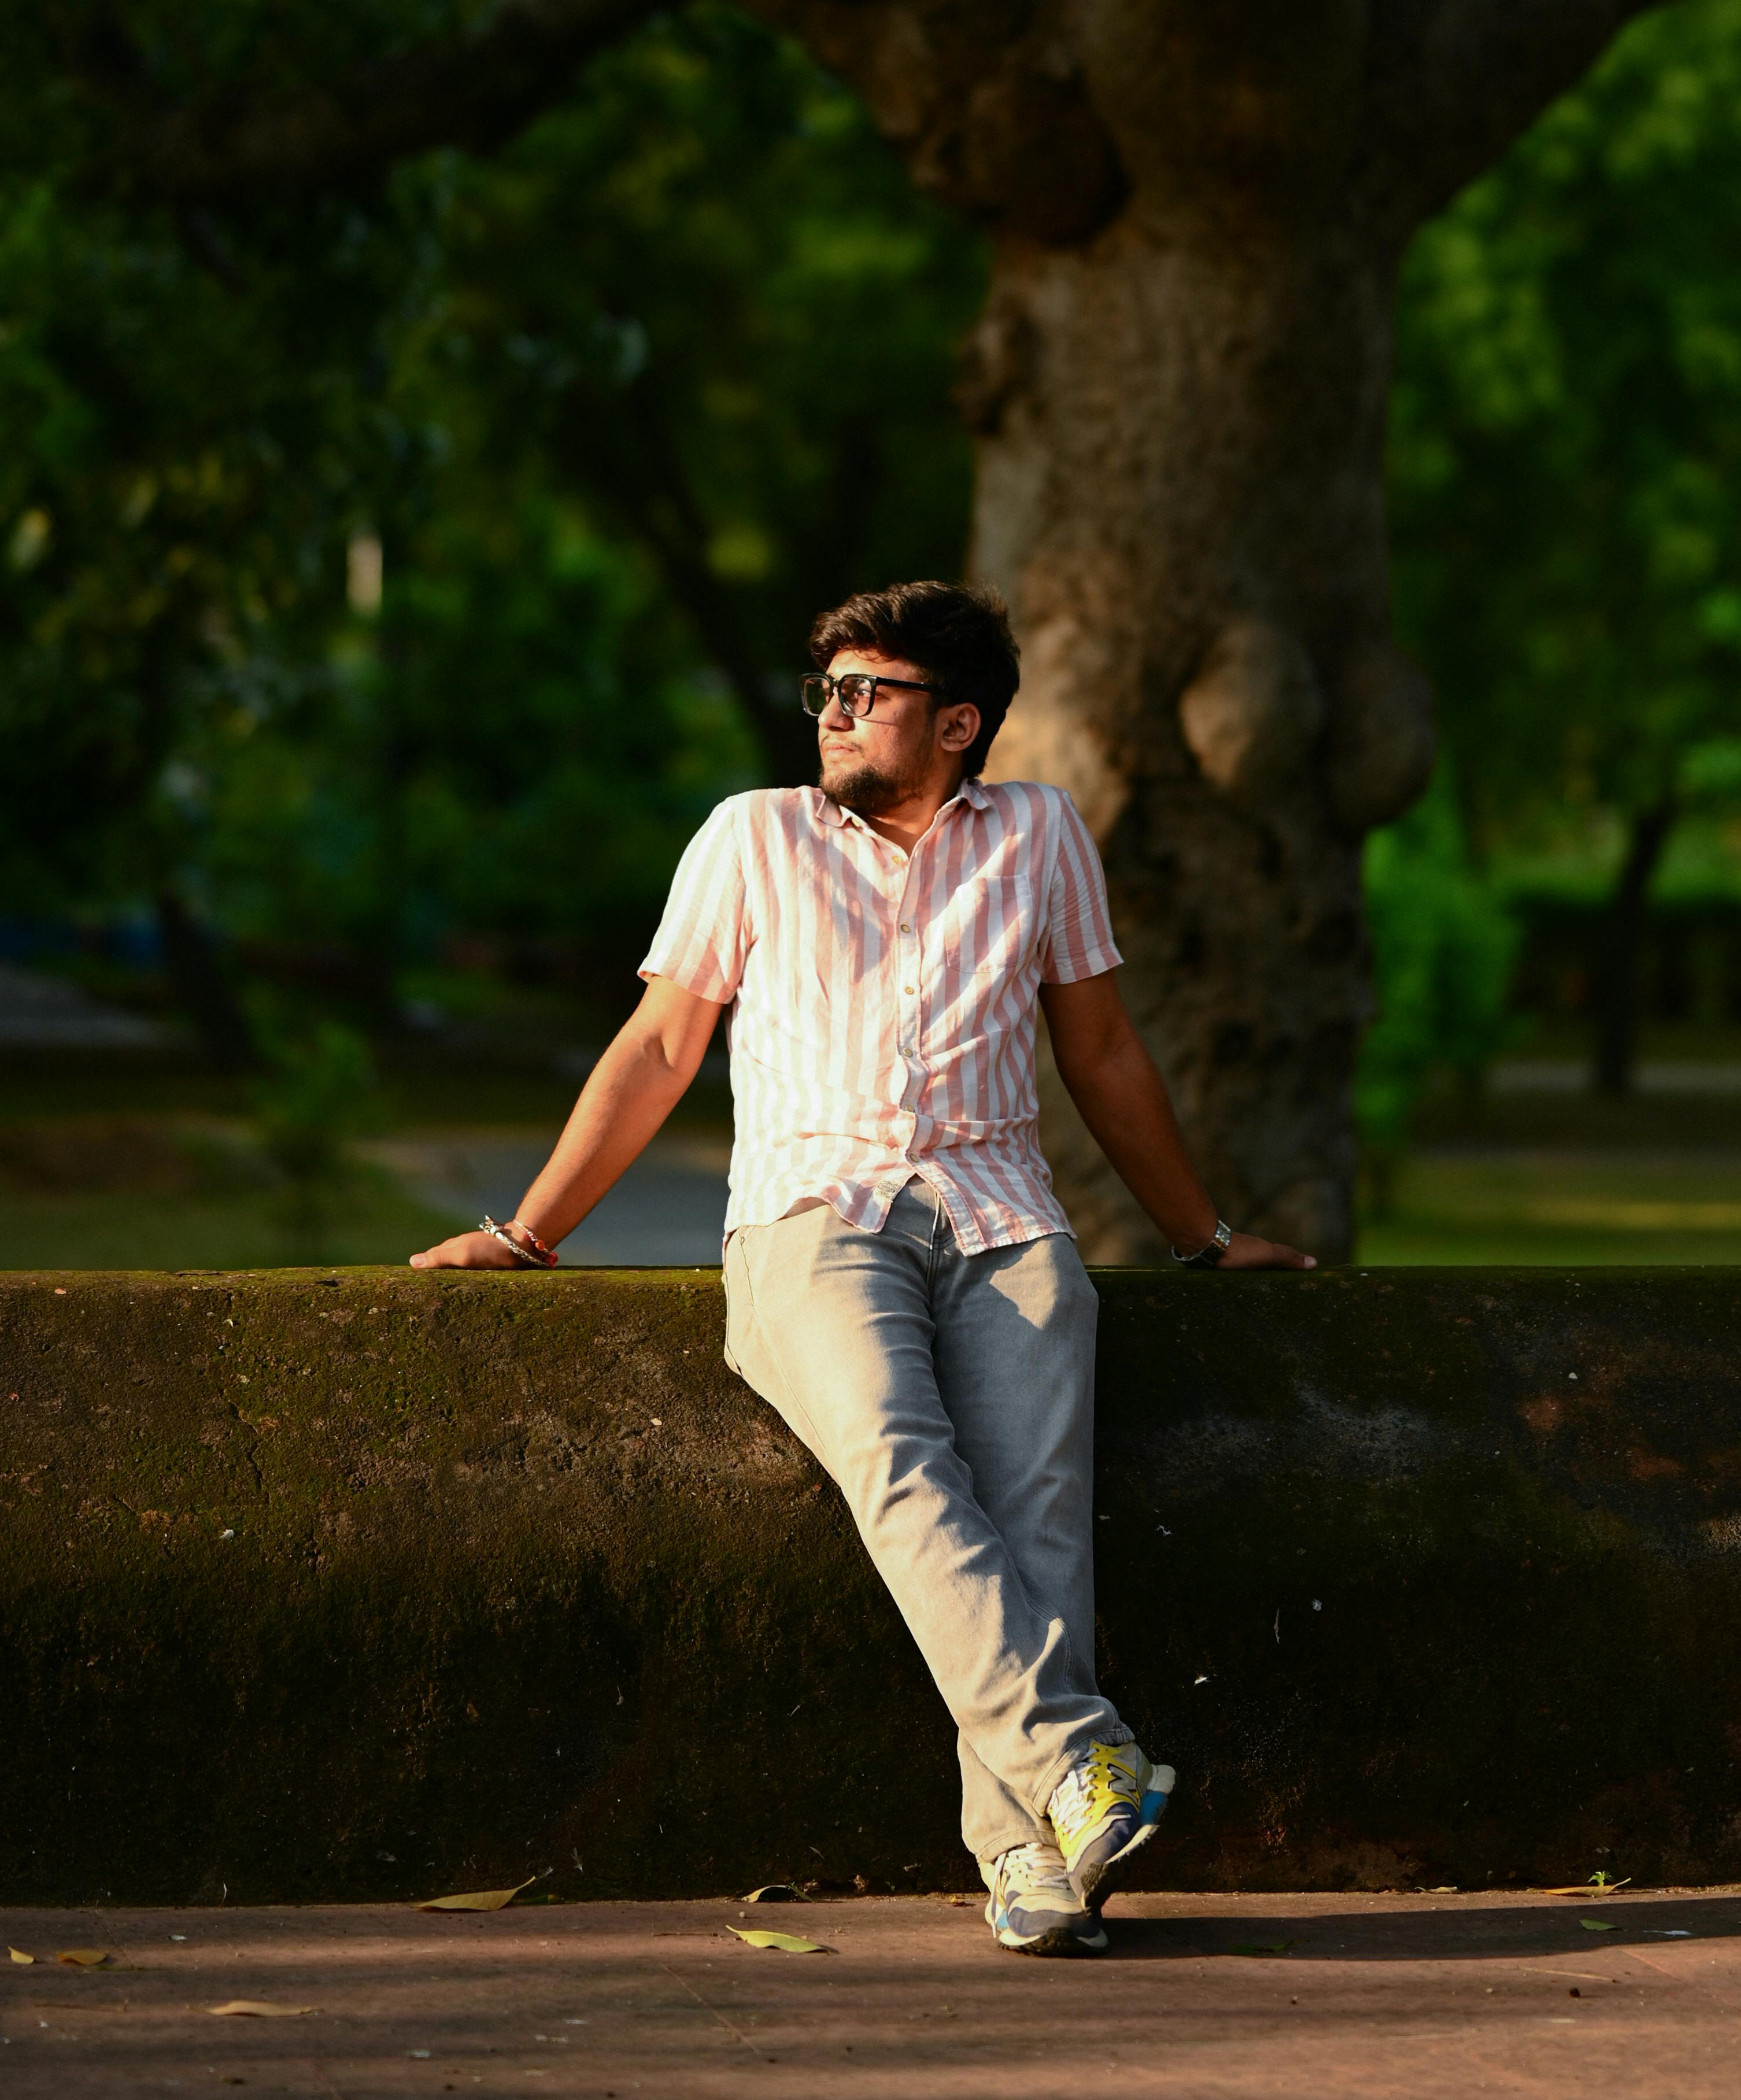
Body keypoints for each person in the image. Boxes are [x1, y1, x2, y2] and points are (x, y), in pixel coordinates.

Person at [410, 578, 1314, 1954]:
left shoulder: (1039, 835)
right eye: (825, 691)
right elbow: (660, 1049)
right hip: (811, 1219)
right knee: (897, 1457)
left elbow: (1104, 1054)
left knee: (1036, 1517)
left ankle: (1031, 1860)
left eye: (864, 692)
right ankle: (1079, 1758)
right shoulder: (750, 840)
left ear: (957, 723)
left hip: (1002, 1218)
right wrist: (529, 1231)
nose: (830, 713)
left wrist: (1201, 1237)